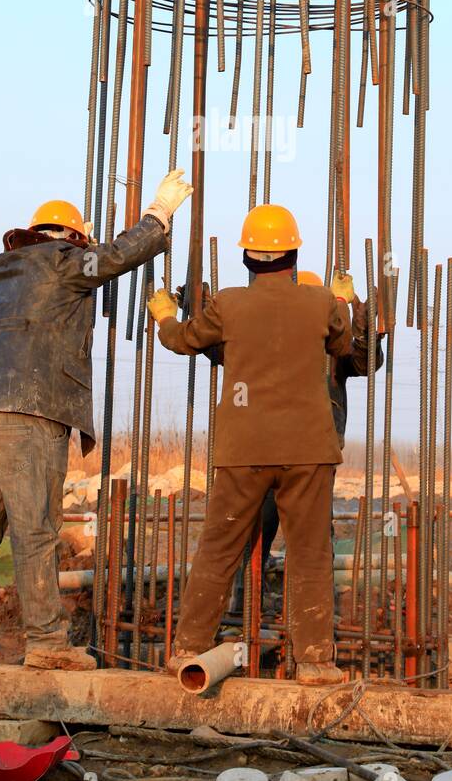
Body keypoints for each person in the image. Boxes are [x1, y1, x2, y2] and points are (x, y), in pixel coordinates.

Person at [0, 170, 192, 670]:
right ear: (69, 239)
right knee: (37, 529)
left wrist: (72, 244)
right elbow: (115, 259)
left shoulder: (7, 268)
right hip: (31, 413)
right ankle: (47, 644)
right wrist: (158, 213)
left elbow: (69, 271)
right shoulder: (64, 262)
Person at [148, 203, 353, 685]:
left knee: (219, 549)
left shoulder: (229, 304)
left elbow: (182, 340)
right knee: (310, 554)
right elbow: (345, 345)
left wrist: (164, 315)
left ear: (246, 258)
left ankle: (188, 649)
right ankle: (316, 662)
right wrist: (342, 301)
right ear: (295, 255)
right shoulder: (320, 302)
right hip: (309, 451)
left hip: (244, 451)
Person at [257, 269, 384, 567]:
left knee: (312, 540)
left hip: (314, 454)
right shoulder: (267, 339)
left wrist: (365, 331)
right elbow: (223, 348)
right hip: (265, 452)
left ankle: (310, 606)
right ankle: (247, 602)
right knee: (256, 533)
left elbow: (366, 362)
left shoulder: (334, 345)